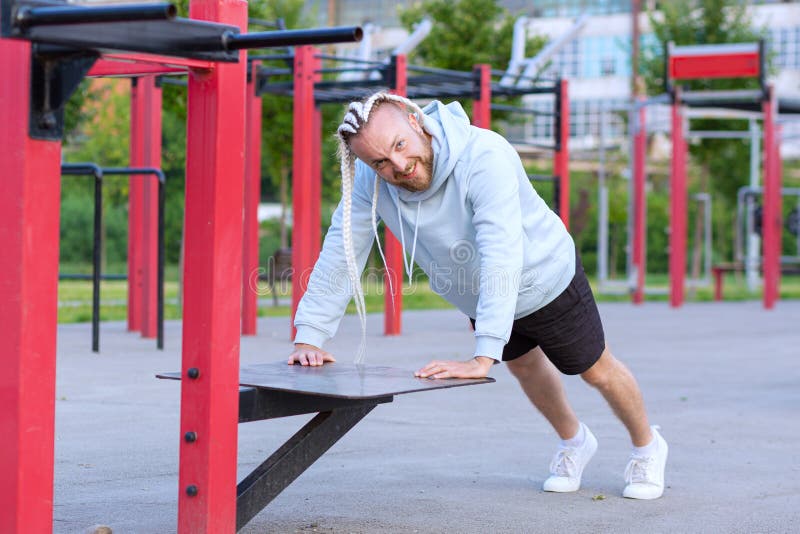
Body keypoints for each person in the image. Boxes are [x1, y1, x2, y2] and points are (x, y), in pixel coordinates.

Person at [288, 91, 668, 499]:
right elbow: (342, 249)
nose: (397, 165)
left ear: (416, 122)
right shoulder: (370, 182)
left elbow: (501, 252)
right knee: (524, 367)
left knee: (593, 369)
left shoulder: (484, 154)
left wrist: (482, 355)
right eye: (380, 162)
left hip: (544, 277)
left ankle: (648, 445)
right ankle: (575, 441)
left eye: (399, 146)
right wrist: (311, 334)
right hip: (479, 294)